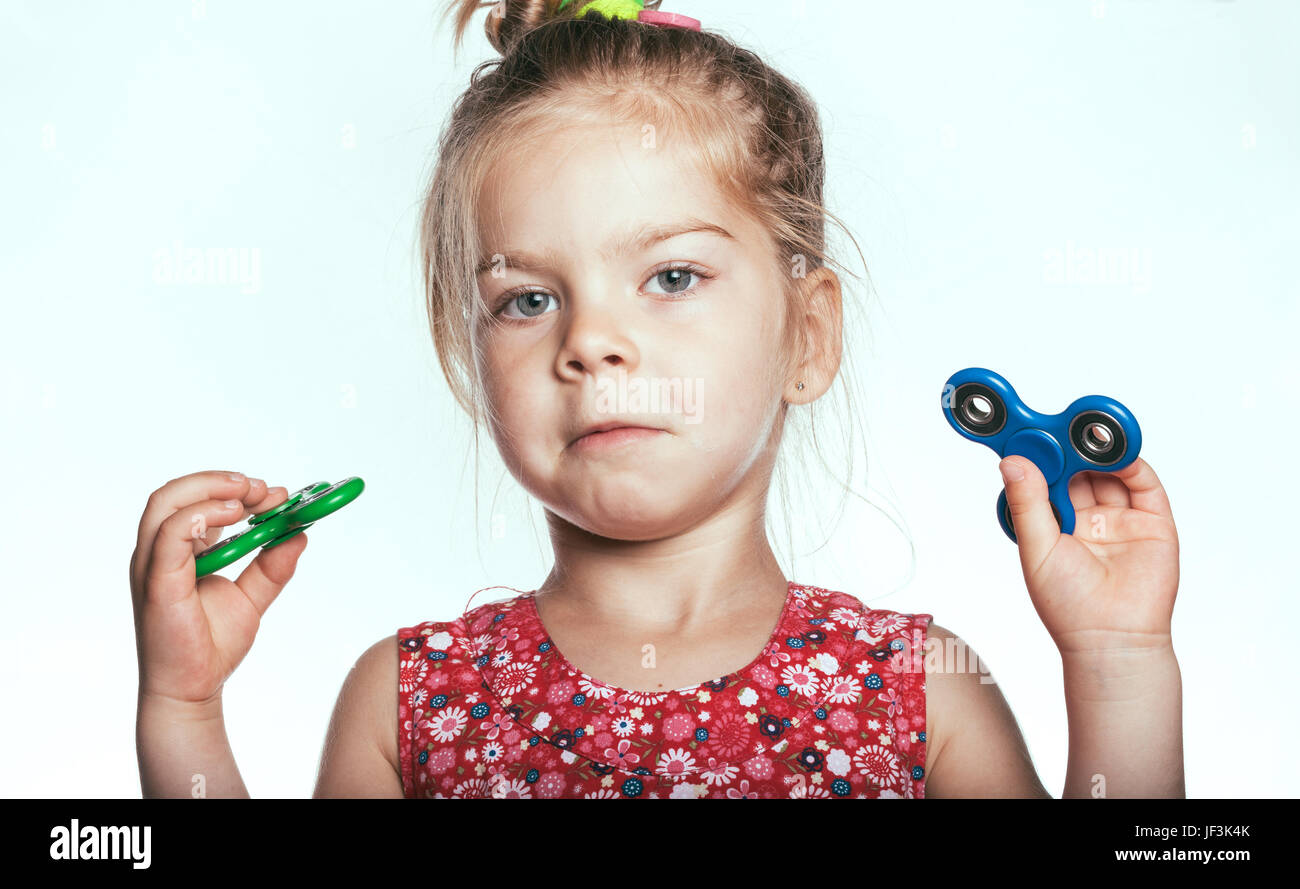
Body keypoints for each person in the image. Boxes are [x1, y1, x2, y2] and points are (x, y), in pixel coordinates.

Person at [131, 0, 1184, 799]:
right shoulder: (406, 703)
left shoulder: (920, 690)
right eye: (528, 298)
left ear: (806, 336)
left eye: (671, 277)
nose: (590, 341)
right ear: (468, 348)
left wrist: (1119, 659)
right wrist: (182, 708)